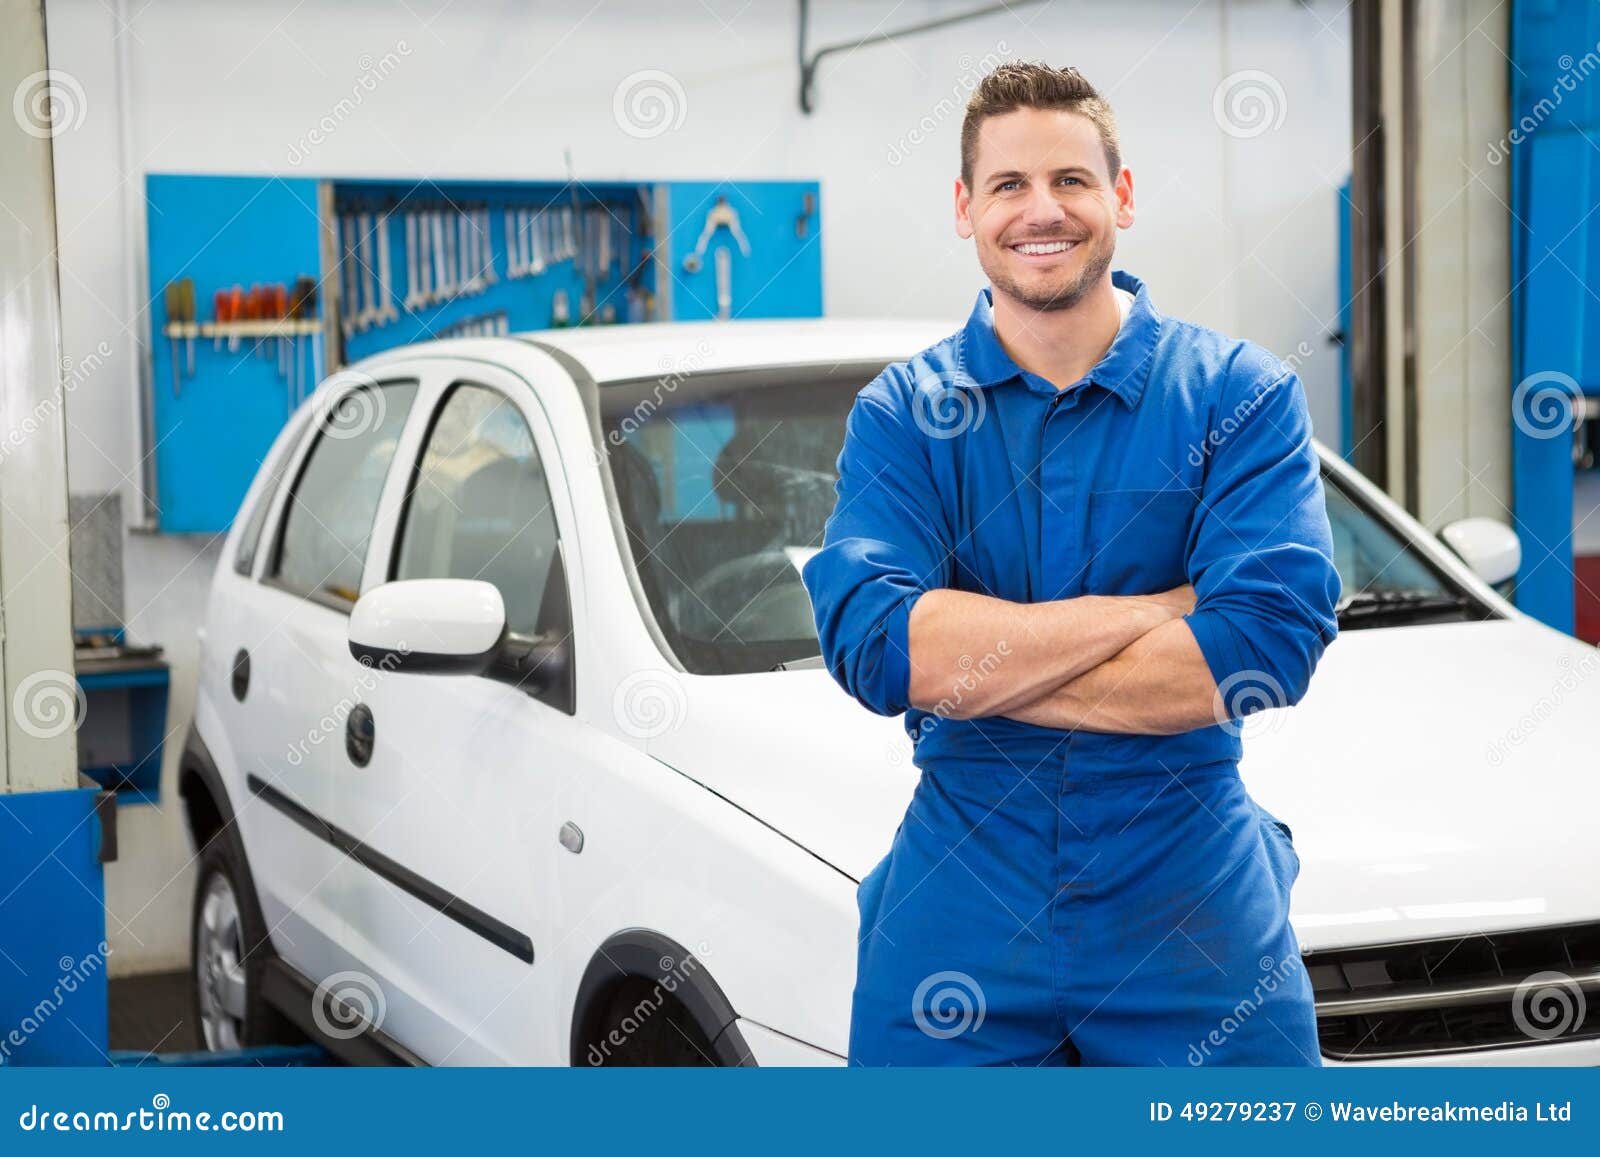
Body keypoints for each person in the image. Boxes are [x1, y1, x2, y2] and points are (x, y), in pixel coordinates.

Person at [801, 61, 1340, 1066]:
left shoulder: (1238, 396)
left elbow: (1261, 644)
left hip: (1190, 905)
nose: (1040, 210)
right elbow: (878, 647)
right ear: (965, 209)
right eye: (1008, 184)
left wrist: (978, 670)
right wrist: (1156, 611)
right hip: (965, 895)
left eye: (1071, 180)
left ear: (1120, 196)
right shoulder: (904, 415)